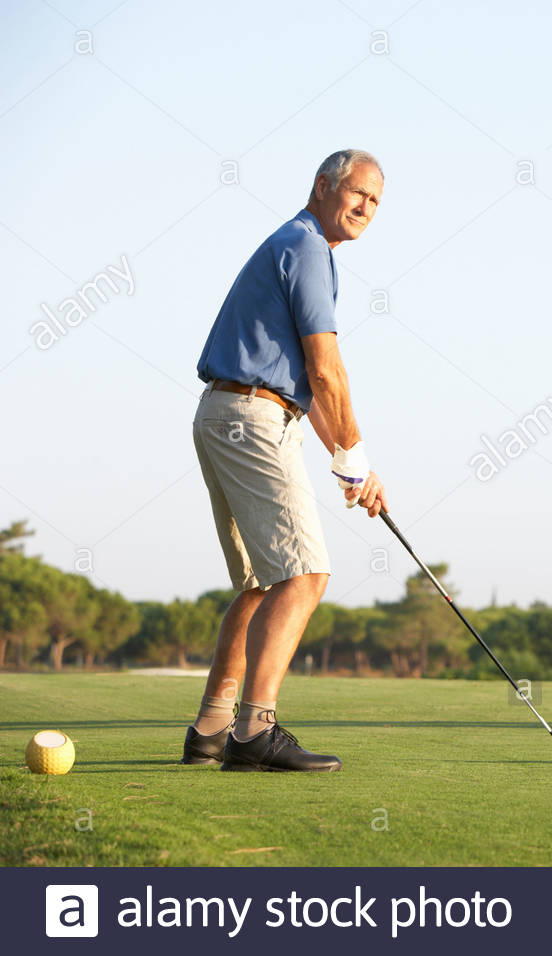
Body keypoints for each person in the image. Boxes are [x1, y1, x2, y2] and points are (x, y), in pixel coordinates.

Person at [183, 149, 389, 771]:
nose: (365, 208)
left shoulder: (300, 247)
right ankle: (255, 731)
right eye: (357, 193)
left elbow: (307, 385)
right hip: (251, 416)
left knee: (260, 584)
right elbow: (326, 370)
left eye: (376, 202)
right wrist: (353, 454)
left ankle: (212, 730)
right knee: (305, 575)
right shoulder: (306, 248)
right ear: (322, 185)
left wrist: (350, 464)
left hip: (228, 413)